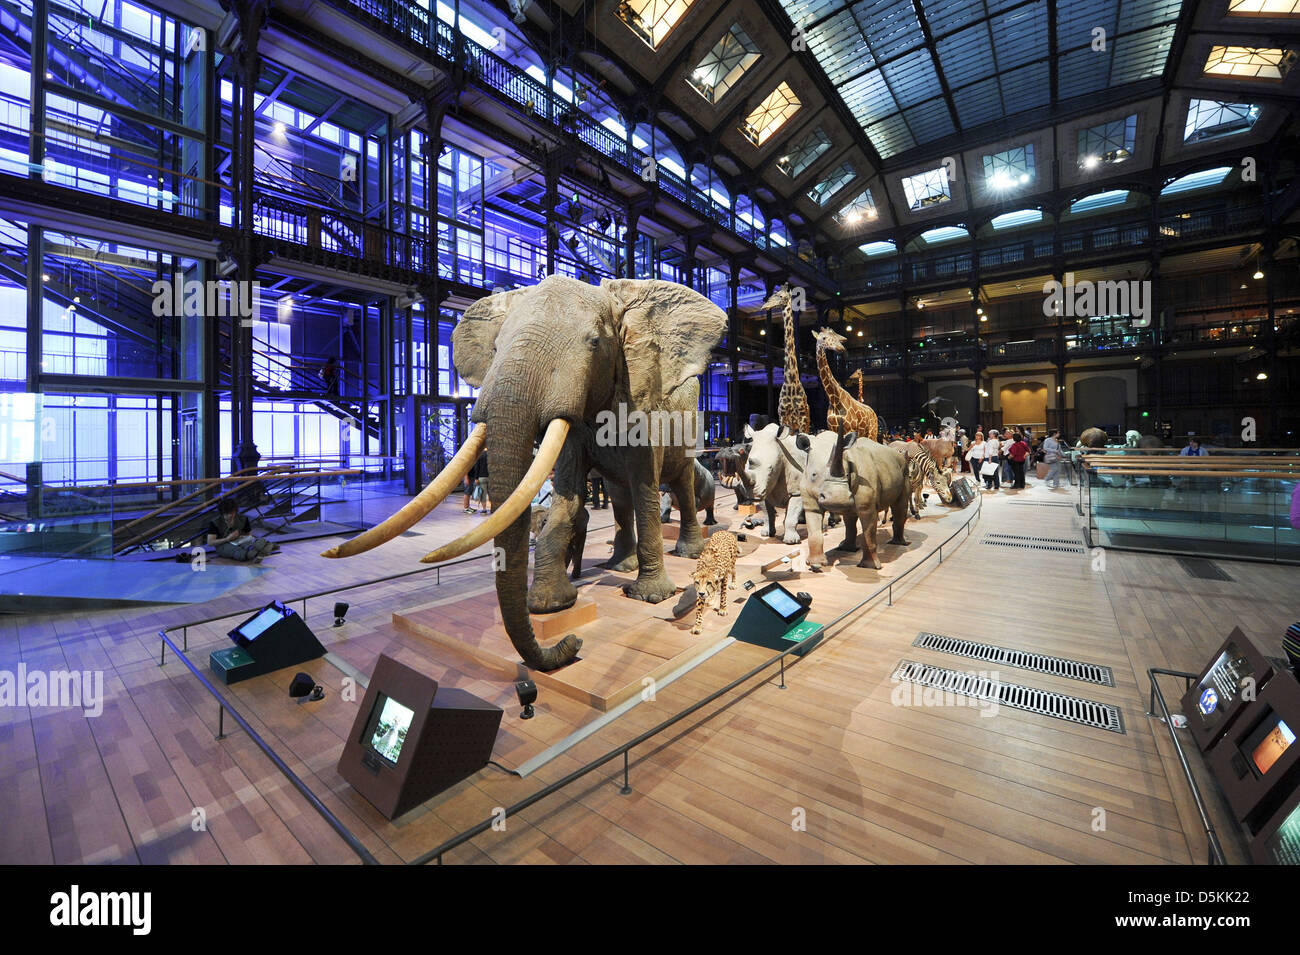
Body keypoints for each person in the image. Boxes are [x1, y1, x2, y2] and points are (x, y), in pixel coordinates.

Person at [205, 498, 274, 561]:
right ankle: (251, 555)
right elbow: (210, 542)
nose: (230, 515)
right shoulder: (215, 522)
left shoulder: (242, 519)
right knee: (236, 551)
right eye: (227, 513)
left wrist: (241, 536)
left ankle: (258, 549)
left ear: (235, 511)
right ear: (222, 513)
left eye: (232, 513)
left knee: (249, 544)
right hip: (223, 544)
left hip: (239, 540)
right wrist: (227, 539)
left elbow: (249, 535)